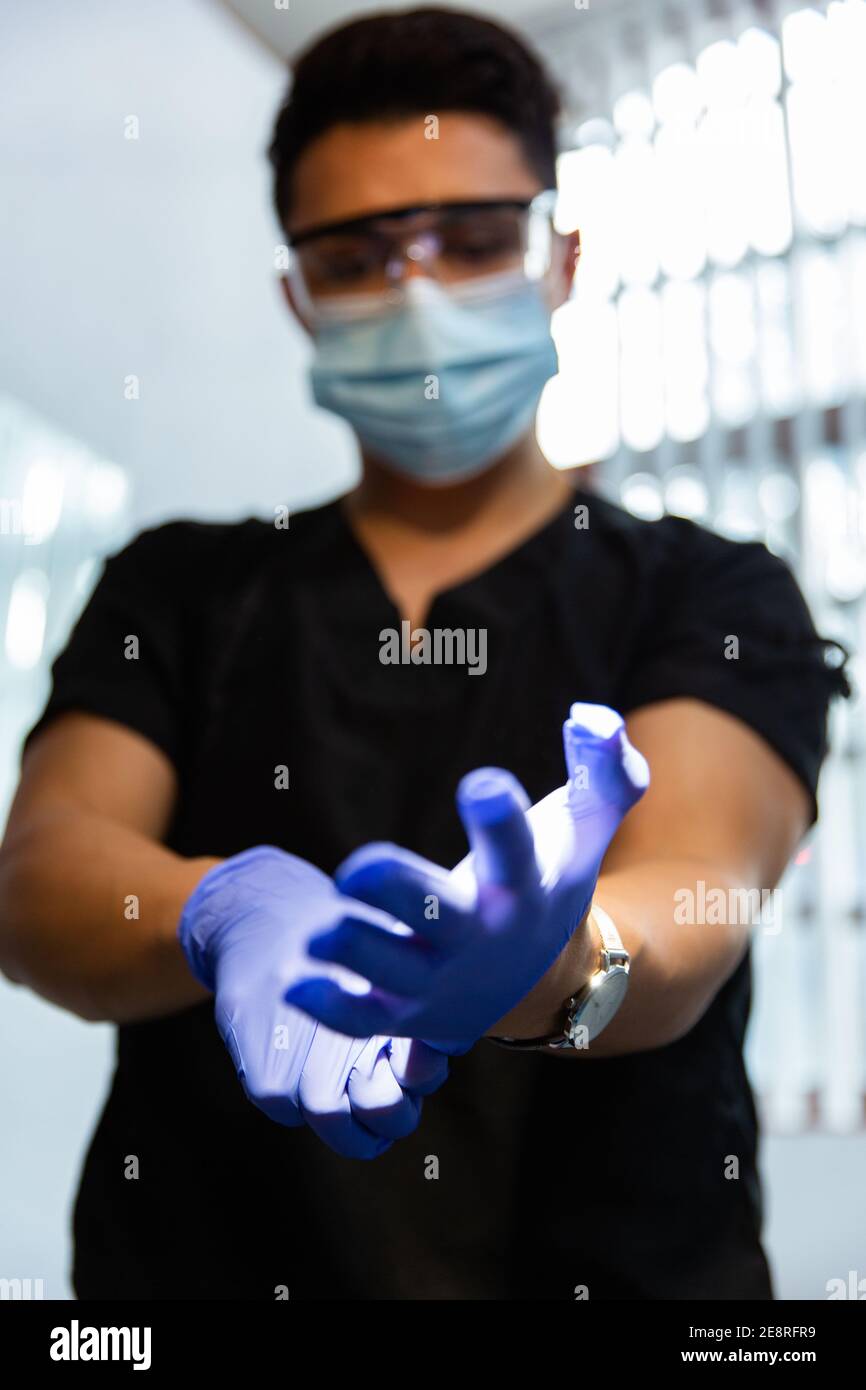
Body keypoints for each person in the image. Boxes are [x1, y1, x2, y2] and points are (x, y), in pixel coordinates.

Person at [0, 7, 849, 1301]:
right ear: (297, 297)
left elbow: (698, 890)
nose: (419, 291)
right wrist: (212, 909)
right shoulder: (176, 587)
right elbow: (44, 871)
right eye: (358, 255)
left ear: (558, 256)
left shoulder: (707, 588)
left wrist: (573, 963)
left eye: (471, 238)